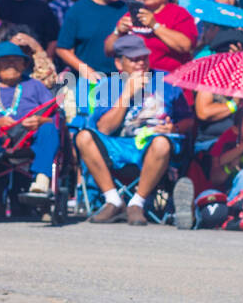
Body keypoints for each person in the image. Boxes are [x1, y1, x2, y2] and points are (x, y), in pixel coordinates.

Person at [78, 33, 191, 226]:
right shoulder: (109, 85)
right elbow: (104, 129)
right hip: (116, 146)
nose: (141, 63)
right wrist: (127, 94)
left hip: (153, 146)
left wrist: (175, 127)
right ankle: (113, 200)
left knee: (163, 143)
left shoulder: (166, 81)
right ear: (119, 64)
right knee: (83, 138)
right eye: (134, 59)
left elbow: (188, 120)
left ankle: (137, 203)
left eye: (144, 58)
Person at [0, 41, 59, 198]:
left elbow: (55, 117)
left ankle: (41, 183)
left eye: (16, 60)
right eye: (5, 60)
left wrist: (40, 121)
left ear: (23, 65)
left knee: (49, 129)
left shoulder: (35, 86)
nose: (11, 64)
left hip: (29, 139)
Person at [106, 0, 197, 72]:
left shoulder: (179, 14)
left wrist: (155, 26)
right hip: (134, 82)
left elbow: (185, 46)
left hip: (167, 82)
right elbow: (108, 51)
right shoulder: (132, 14)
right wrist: (117, 32)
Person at [56, 0, 126, 80]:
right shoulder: (78, 10)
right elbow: (63, 49)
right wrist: (86, 70)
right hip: (89, 82)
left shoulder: (125, 9)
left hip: (120, 81)